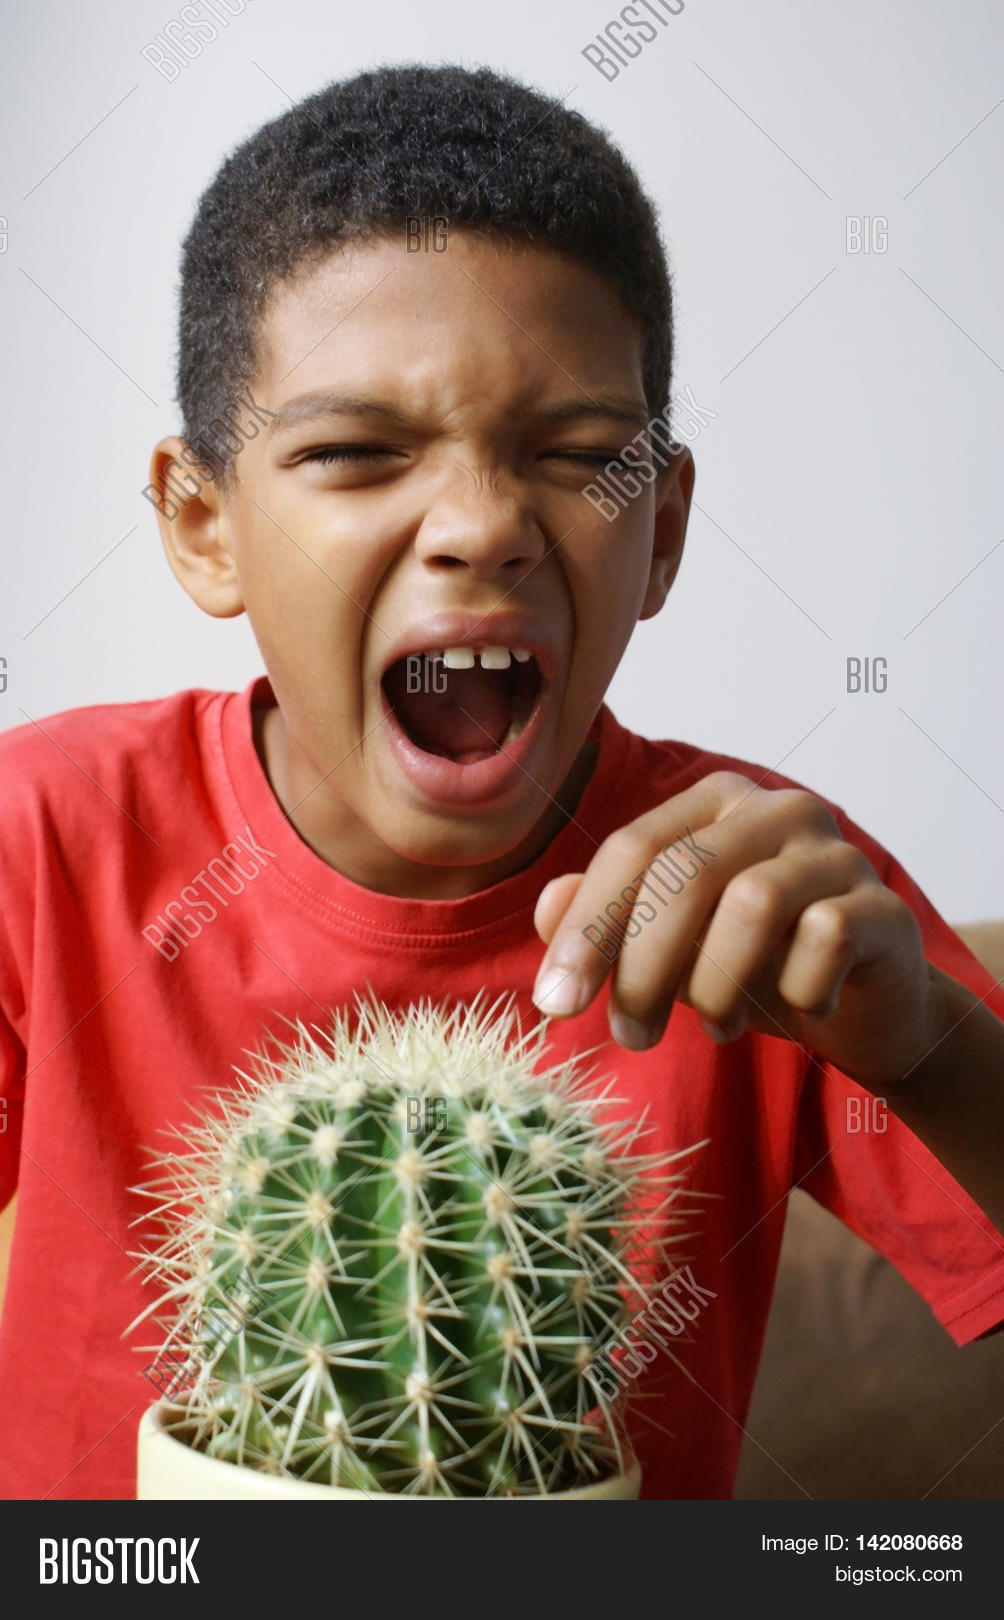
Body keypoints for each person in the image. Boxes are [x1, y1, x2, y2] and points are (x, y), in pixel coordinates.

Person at [1, 63, 1001, 1503]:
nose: (481, 526)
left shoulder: (768, 894)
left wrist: (927, 1055)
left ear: (661, 532)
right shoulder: (43, 837)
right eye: (356, 452)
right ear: (205, 522)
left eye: (581, 459)